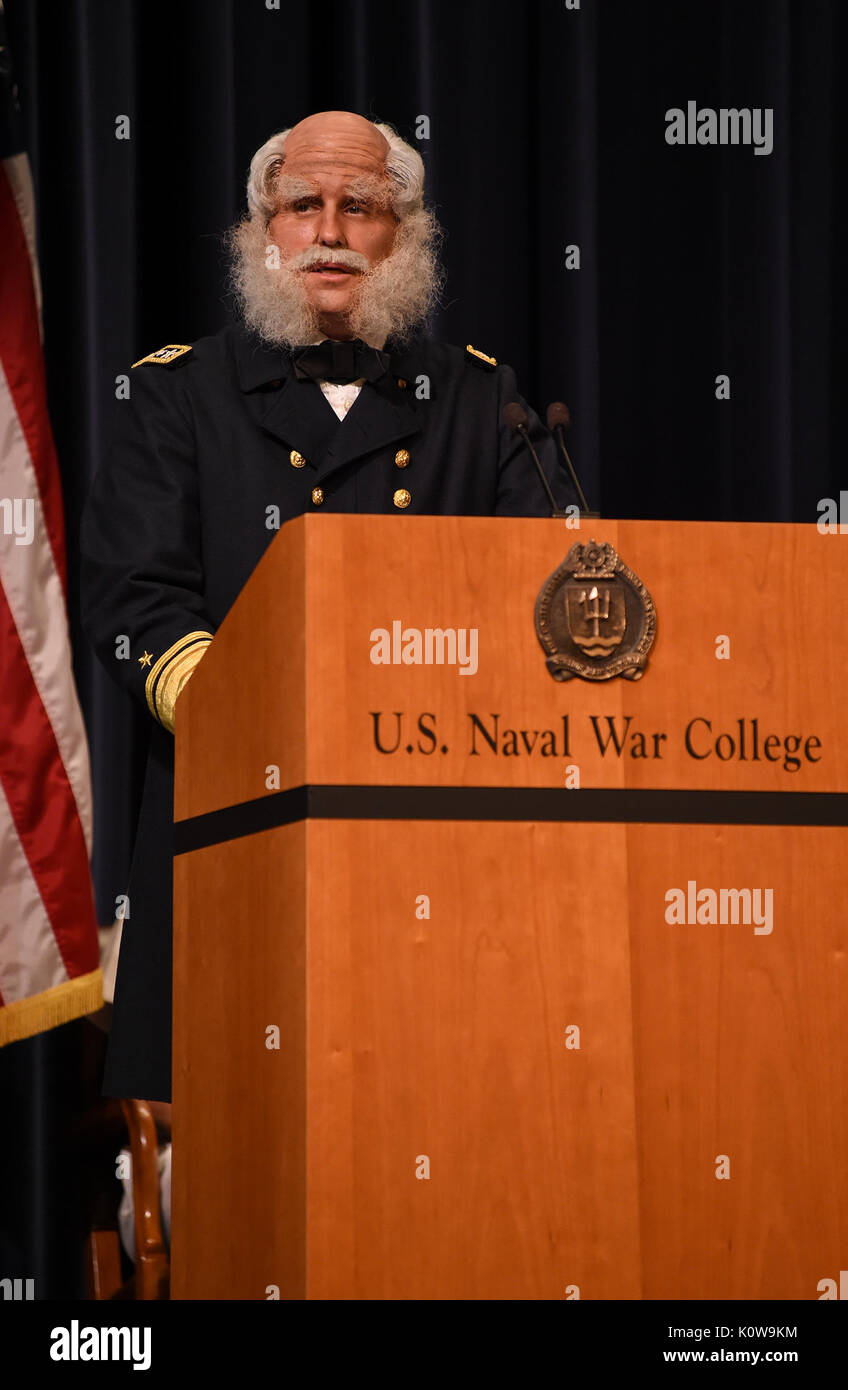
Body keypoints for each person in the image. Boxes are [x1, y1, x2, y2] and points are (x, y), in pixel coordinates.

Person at [80, 110, 579, 1105]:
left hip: (439, 841)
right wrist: (266, 712)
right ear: (260, 230)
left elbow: (552, 595)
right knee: (239, 1156)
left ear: (407, 233)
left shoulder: (485, 403)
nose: (330, 230)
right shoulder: (172, 397)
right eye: (301, 204)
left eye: (361, 206)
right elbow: (137, 595)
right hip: (233, 828)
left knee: (443, 1124)